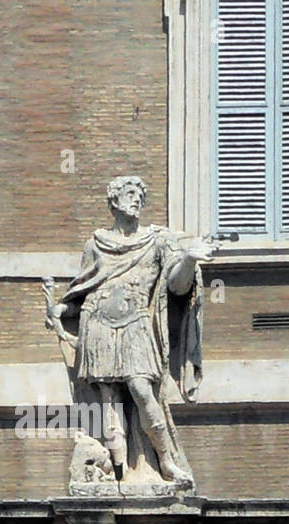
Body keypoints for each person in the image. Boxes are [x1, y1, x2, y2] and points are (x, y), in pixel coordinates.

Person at [42, 175, 215, 487]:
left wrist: (189, 259)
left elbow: (177, 286)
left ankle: (166, 460)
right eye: (130, 194)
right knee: (109, 399)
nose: (137, 200)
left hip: (136, 325)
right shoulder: (95, 245)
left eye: (140, 196)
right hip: (98, 326)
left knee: (141, 389)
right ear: (114, 202)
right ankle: (119, 474)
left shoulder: (157, 242)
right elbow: (83, 291)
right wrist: (61, 310)